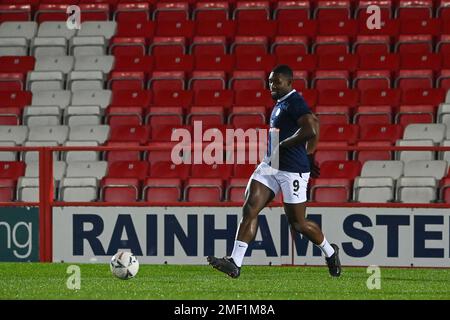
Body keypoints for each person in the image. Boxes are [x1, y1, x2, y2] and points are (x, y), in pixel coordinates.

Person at [207, 65, 342, 278]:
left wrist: (294, 148)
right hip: (271, 165)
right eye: (270, 81)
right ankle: (235, 262)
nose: (272, 85)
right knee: (250, 208)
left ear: (289, 83)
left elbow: (311, 127)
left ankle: (330, 251)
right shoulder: (281, 103)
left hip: (292, 171)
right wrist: (308, 153)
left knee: (298, 224)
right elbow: (312, 124)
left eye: (277, 81)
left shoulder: (294, 101)